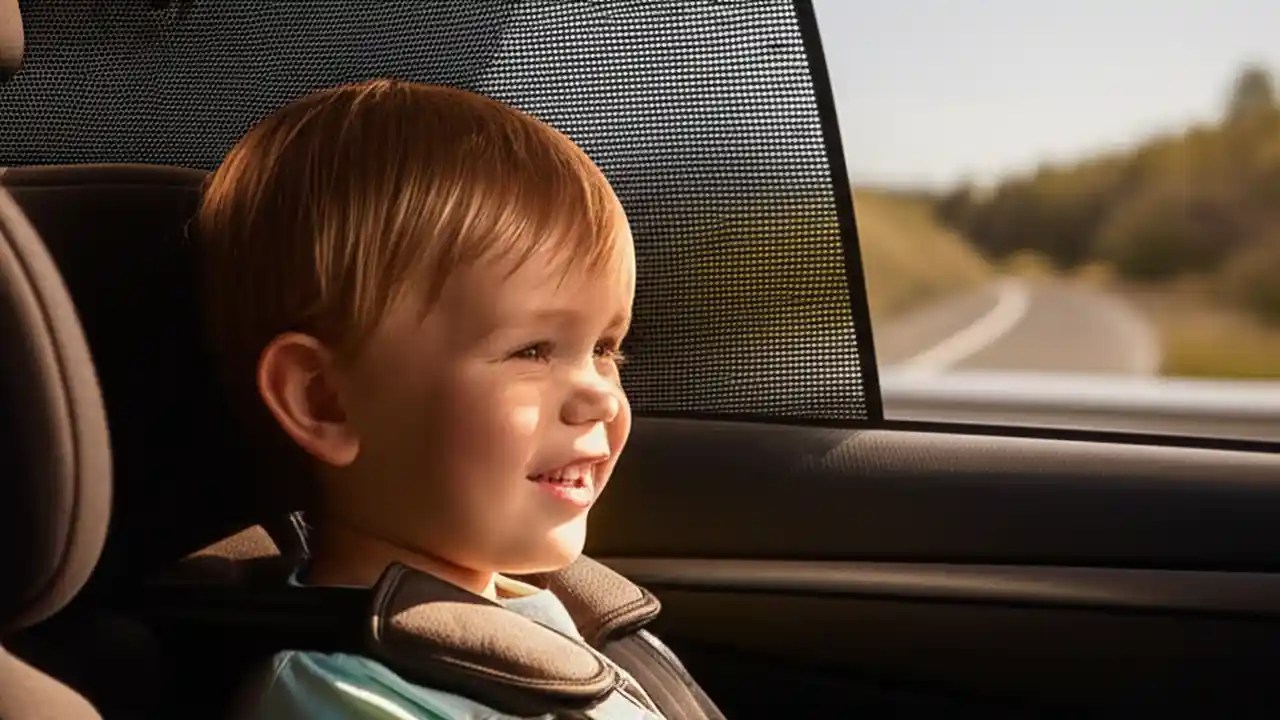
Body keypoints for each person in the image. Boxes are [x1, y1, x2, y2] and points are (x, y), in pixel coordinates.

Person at [198, 78, 659, 719]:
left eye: (606, 350)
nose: (600, 399)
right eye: (532, 350)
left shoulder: (548, 615)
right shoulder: (343, 697)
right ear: (324, 400)